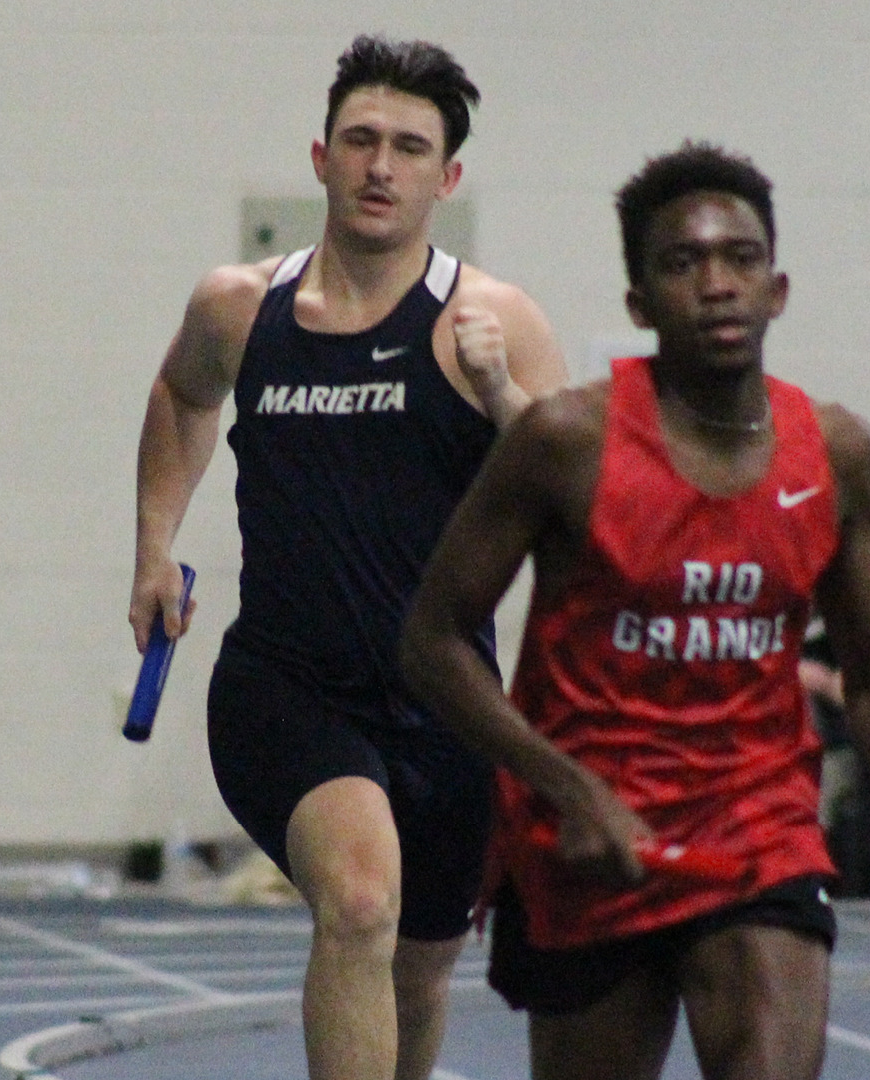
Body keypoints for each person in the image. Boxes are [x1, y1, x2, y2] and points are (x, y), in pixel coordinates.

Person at [400, 141, 870, 1080]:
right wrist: (567, 785)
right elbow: (433, 641)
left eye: (739, 260)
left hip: (760, 825)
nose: (716, 285)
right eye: (683, 263)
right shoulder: (564, 443)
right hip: (593, 835)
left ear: (776, 288)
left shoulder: (838, 453)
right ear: (638, 305)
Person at [128, 34, 567, 1080]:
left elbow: (583, 502)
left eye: (409, 147)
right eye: (360, 140)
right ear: (319, 157)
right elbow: (183, 395)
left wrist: (503, 397)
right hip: (287, 685)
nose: (381, 166)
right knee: (361, 903)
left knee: (419, 971)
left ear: (446, 177)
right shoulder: (242, 307)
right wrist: (154, 548)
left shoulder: (490, 319)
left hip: (447, 704)